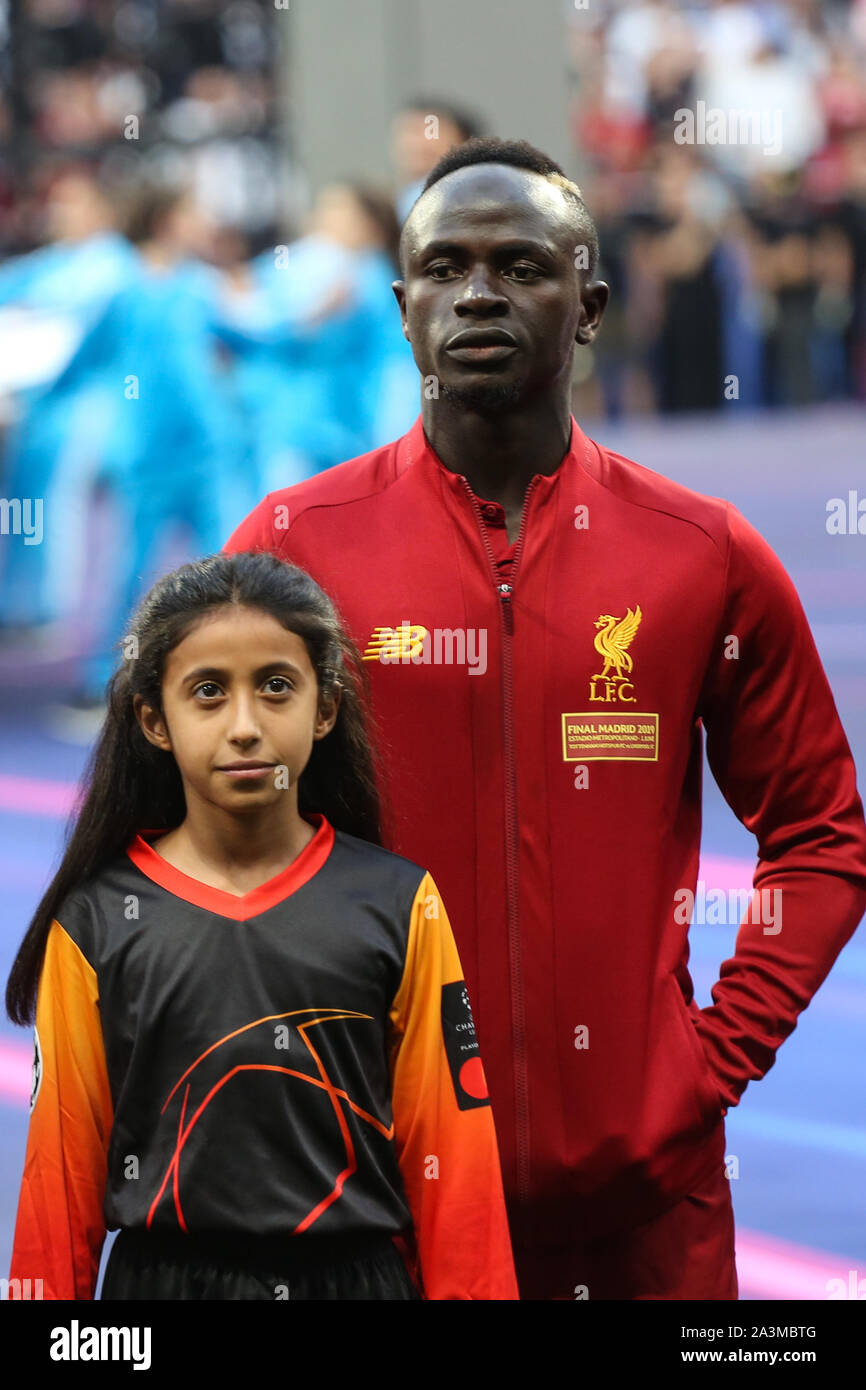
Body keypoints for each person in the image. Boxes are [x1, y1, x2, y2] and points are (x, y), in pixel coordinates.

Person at [224, 137, 866, 1300]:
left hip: (643, 1216)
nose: (477, 293)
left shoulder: (701, 555)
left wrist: (707, 1062)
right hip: (371, 1202)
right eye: (443, 268)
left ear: (589, 304)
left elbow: (821, 833)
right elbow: (197, 842)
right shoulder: (293, 548)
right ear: (401, 308)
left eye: (520, 266)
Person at [5, 550, 518, 1301]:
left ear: (324, 707)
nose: (244, 726)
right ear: (154, 719)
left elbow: (458, 1170)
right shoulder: (95, 924)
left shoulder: (398, 903)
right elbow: (59, 1188)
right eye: (207, 692)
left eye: (276, 687)